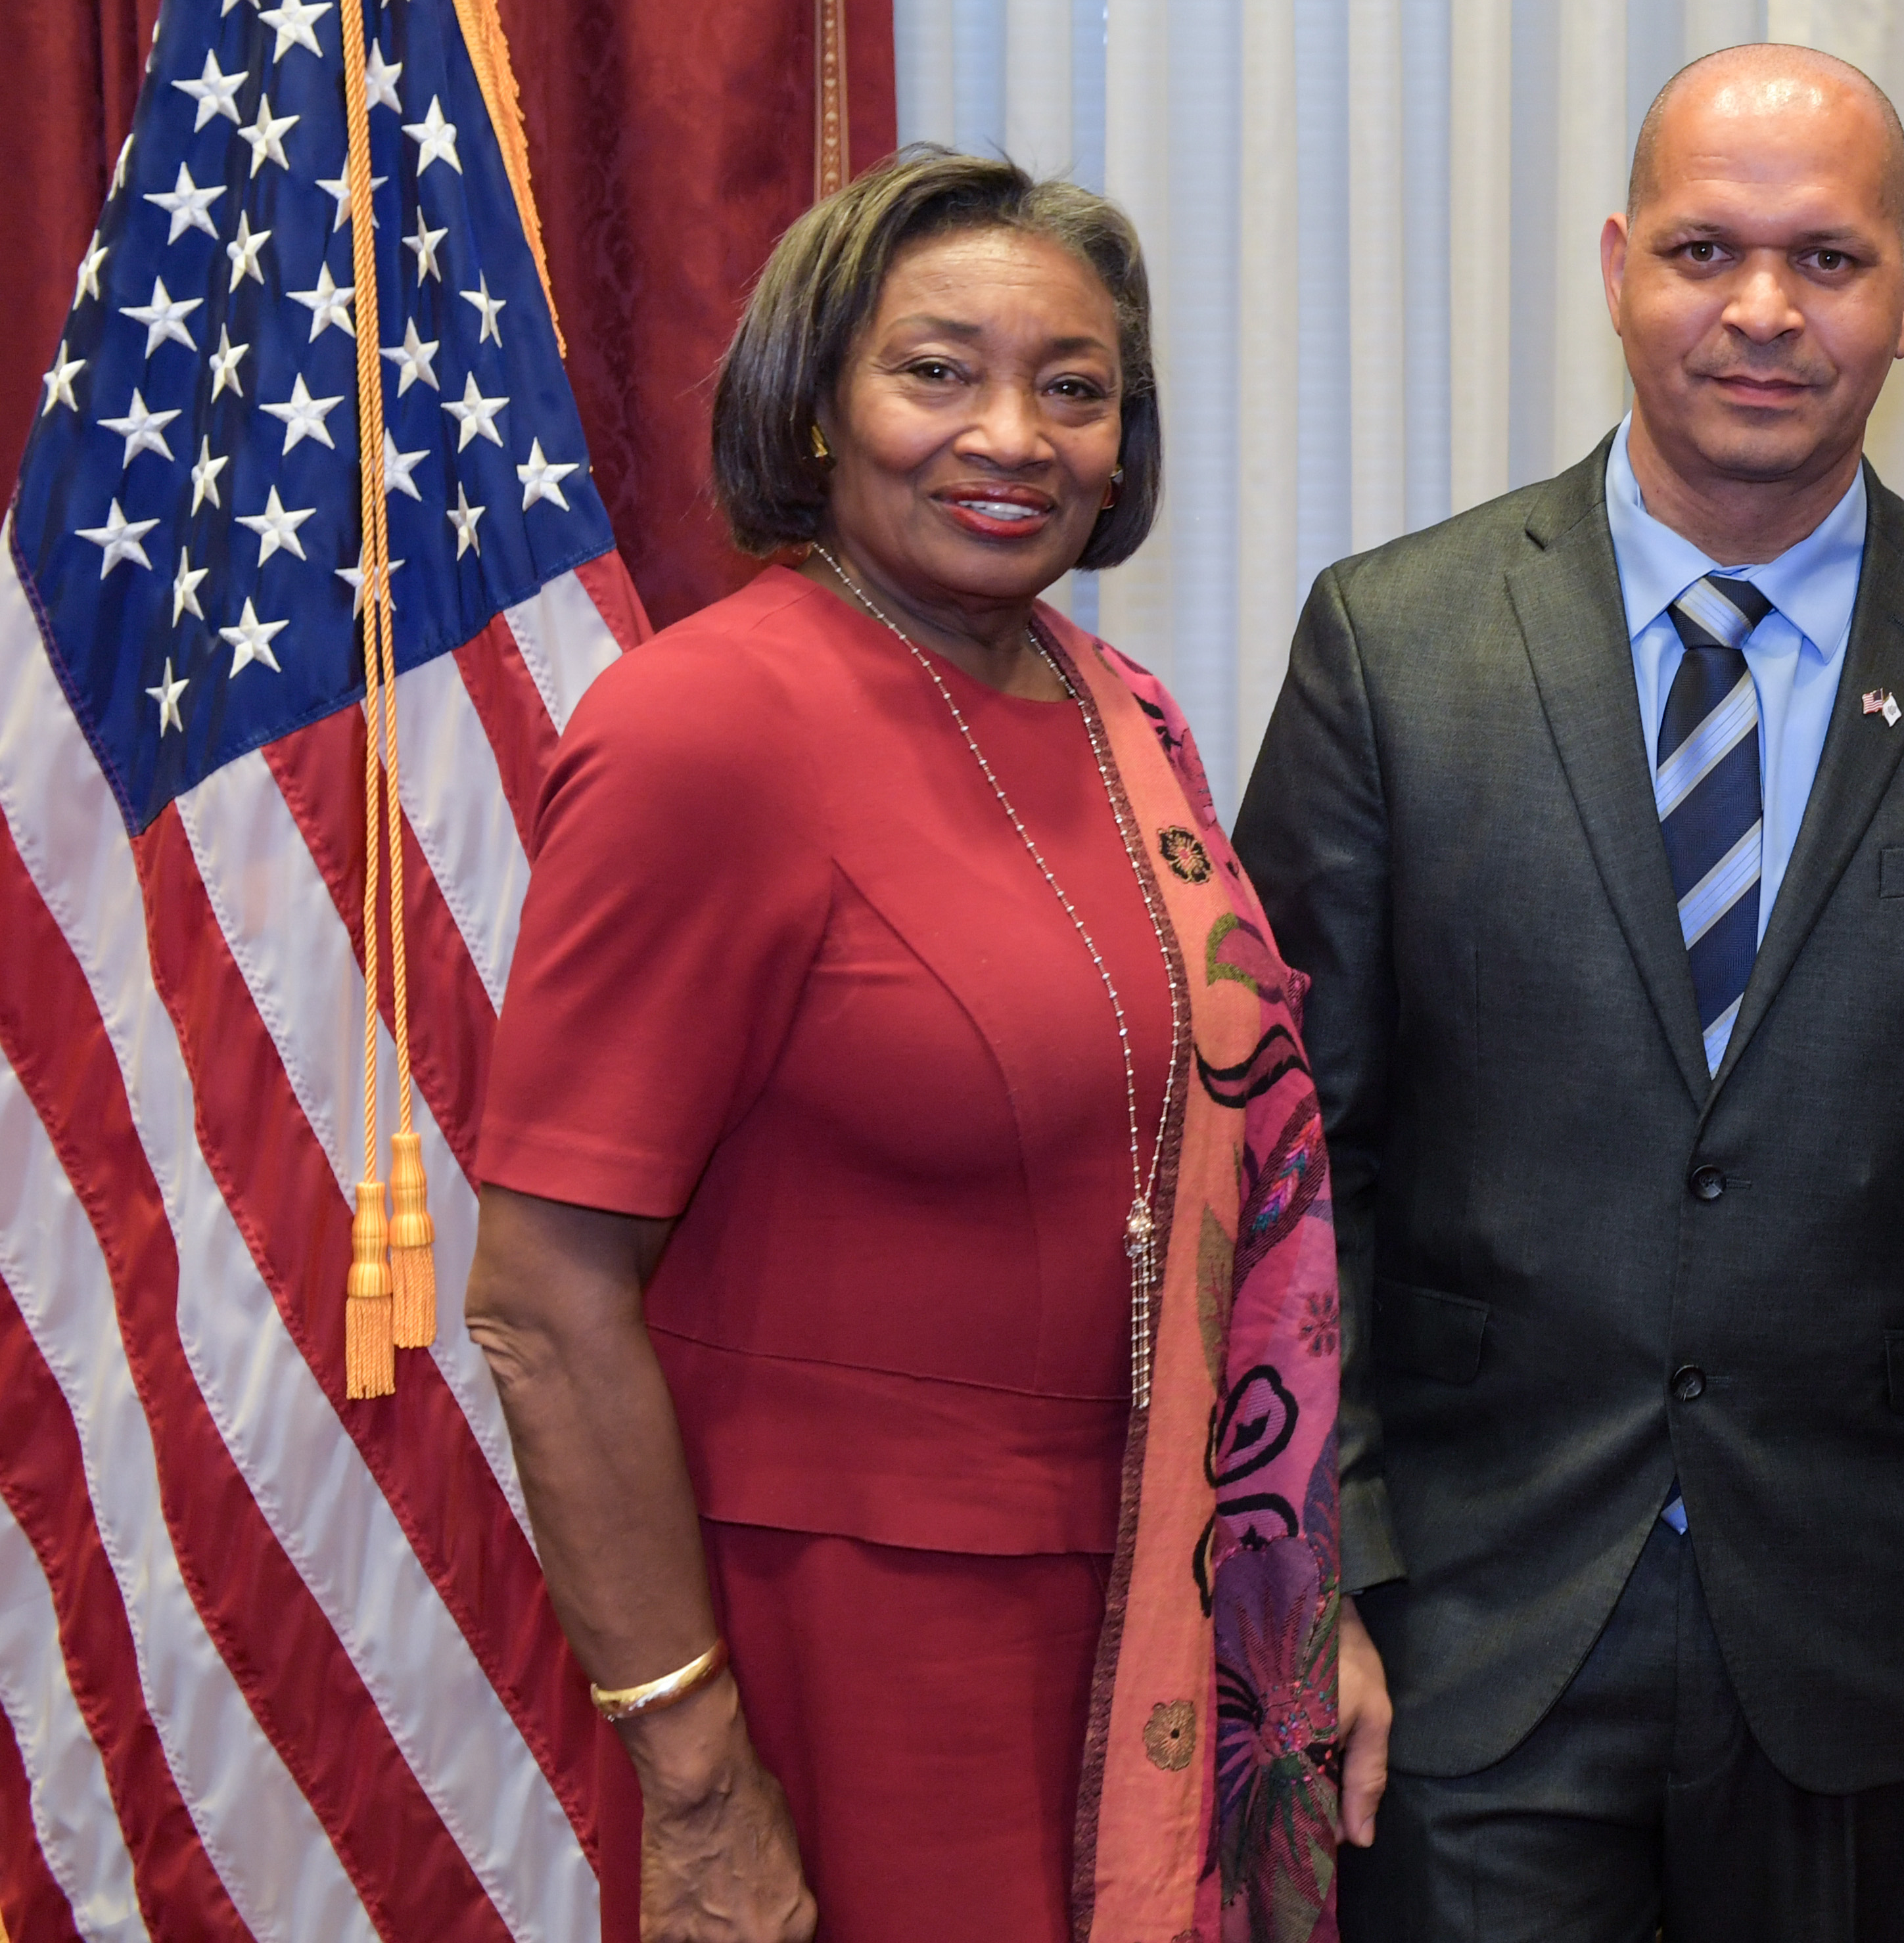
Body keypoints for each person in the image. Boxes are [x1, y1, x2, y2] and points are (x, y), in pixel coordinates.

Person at [1234, 43, 1904, 1942]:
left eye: (1827, 259)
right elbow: (1299, 1170)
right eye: (1702, 248)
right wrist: (1317, 1591)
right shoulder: (1393, 648)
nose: (1759, 309)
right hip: (1465, 1648)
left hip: (1868, 1667)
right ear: (1614, 267)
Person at [465, 149, 1340, 1943]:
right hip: (844, 1647)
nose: (1012, 434)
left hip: (1145, 1598)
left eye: (1073, 388)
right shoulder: (704, 728)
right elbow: (545, 1299)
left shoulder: (1124, 717)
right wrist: (699, 1788)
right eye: (937, 370)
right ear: (815, 408)